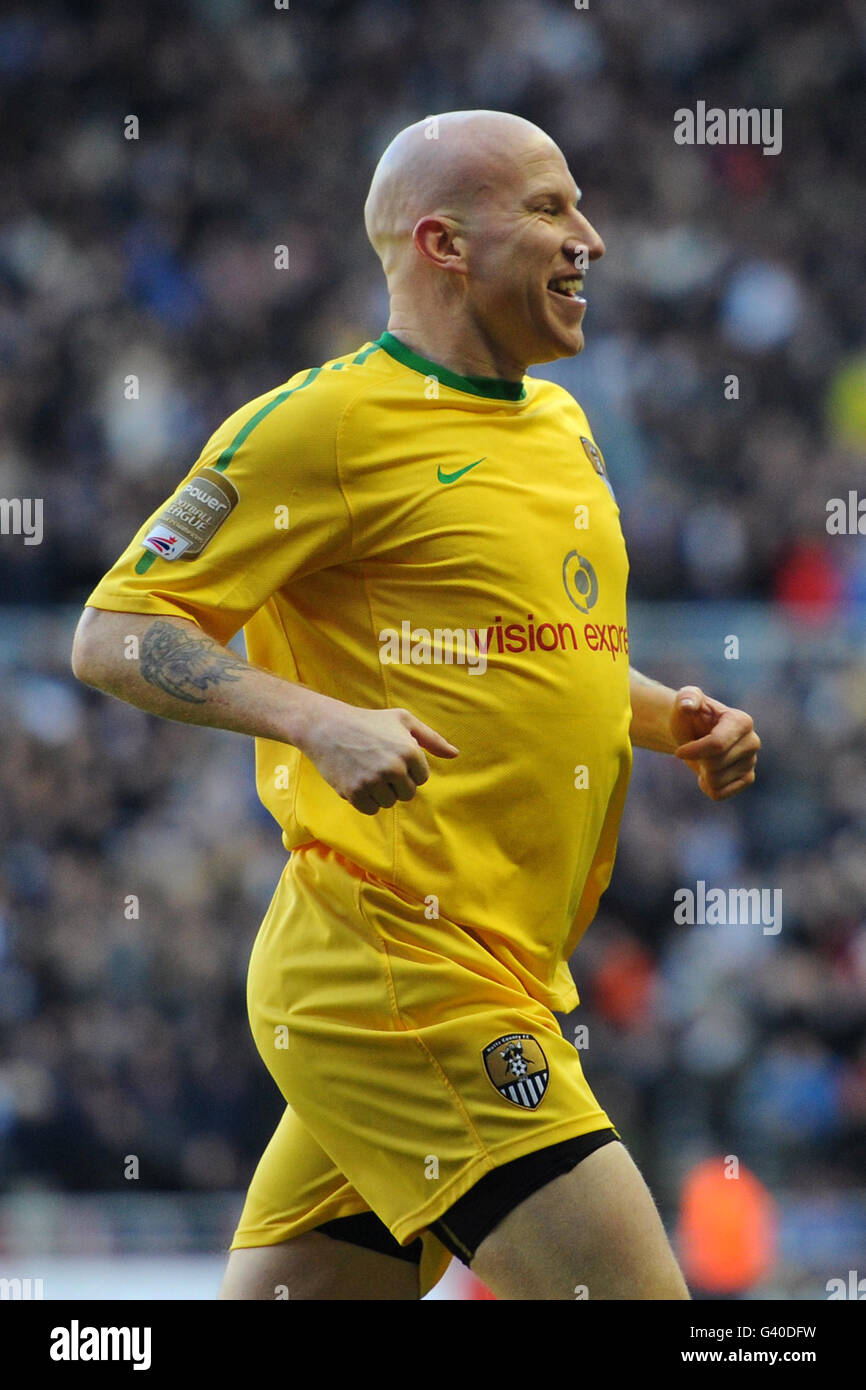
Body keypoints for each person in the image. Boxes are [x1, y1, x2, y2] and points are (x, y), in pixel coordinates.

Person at [71, 109, 760, 1301]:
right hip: (394, 966)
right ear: (443, 243)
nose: (586, 237)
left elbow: (530, 649)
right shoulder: (323, 427)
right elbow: (114, 631)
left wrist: (666, 717)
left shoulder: (559, 425)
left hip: (493, 962)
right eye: (548, 208)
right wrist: (313, 720)